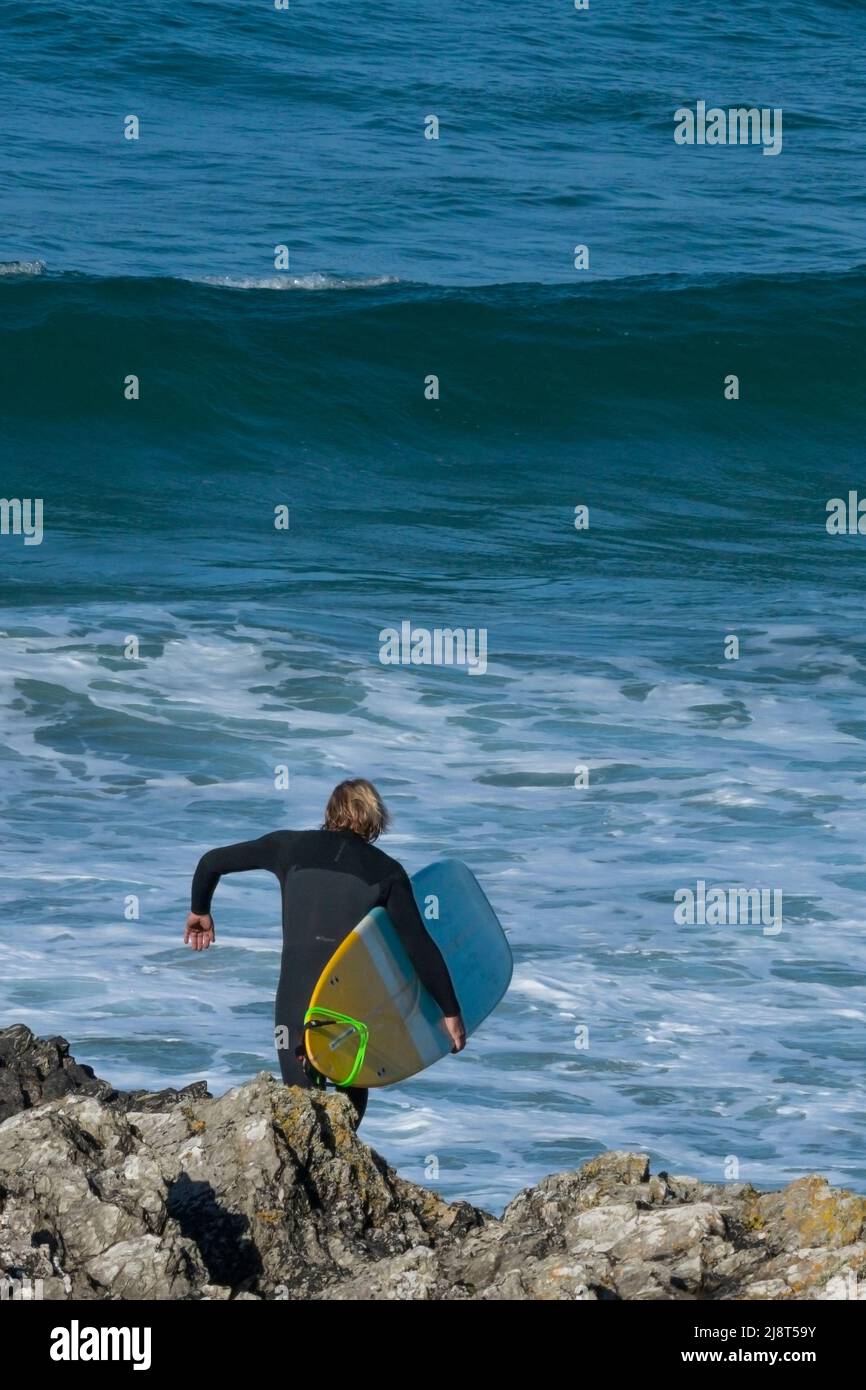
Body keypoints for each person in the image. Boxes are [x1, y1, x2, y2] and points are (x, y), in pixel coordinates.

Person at [185, 778, 465, 1125]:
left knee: (300, 1112)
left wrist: (201, 910)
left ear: (330, 812)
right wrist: (450, 1011)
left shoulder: (288, 847)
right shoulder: (387, 872)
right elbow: (418, 946)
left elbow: (212, 862)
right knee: (349, 1105)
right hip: (348, 1007)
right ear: (375, 819)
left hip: (294, 1000)